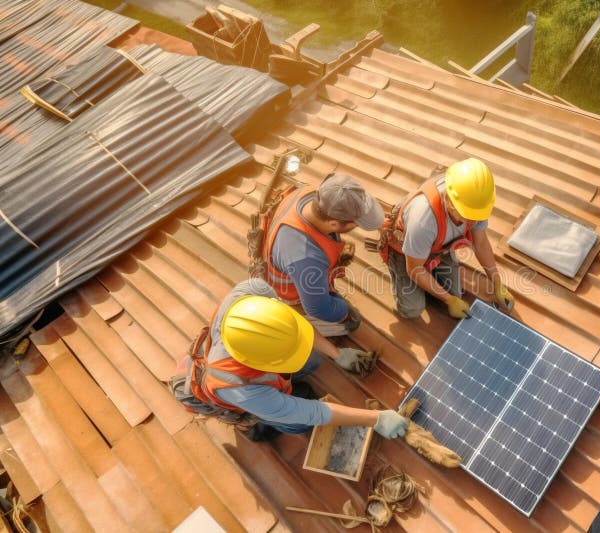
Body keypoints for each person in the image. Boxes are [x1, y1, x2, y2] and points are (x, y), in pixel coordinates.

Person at [187, 278, 408, 441]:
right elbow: (313, 412)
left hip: (261, 376)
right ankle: (258, 425)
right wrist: (376, 419)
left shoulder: (252, 292)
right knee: (297, 424)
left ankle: (285, 390)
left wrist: (338, 354)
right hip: (250, 400)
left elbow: (291, 326)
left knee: (312, 360)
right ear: (262, 362)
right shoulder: (240, 389)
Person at [382, 158, 514, 319]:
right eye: (468, 215)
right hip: (405, 251)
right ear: (449, 201)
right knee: (412, 309)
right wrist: (448, 300)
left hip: (437, 247)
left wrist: (497, 282)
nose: (472, 220)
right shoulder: (423, 222)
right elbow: (414, 269)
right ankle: (402, 275)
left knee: (457, 293)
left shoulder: (475, 201)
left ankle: (430, 276)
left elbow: (481, 243)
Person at [262, 173, 383, 336]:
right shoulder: (306, 257)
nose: (357, 227)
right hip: (290, 294)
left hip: (291, 261)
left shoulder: (311, 192)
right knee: (351, 320)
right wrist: (344, 309)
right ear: (333, 223)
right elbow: (318, 309)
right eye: (356, 223)